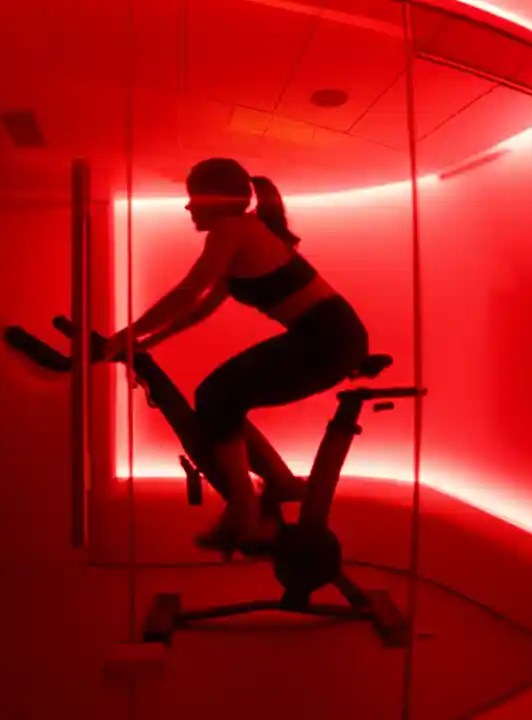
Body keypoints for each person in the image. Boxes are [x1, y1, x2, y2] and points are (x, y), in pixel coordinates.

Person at [100, 158, 370, 556]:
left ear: (215, 200)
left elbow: (187, 292)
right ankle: (275, 484)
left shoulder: (232, 229)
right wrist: (148, 340)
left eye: (193, 199)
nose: (188, 208)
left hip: (328, 339)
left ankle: (249, 513)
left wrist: (125, 335)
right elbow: (203, 307)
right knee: (221, 396)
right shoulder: (242, 231)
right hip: (330, 336)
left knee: (217, 394)